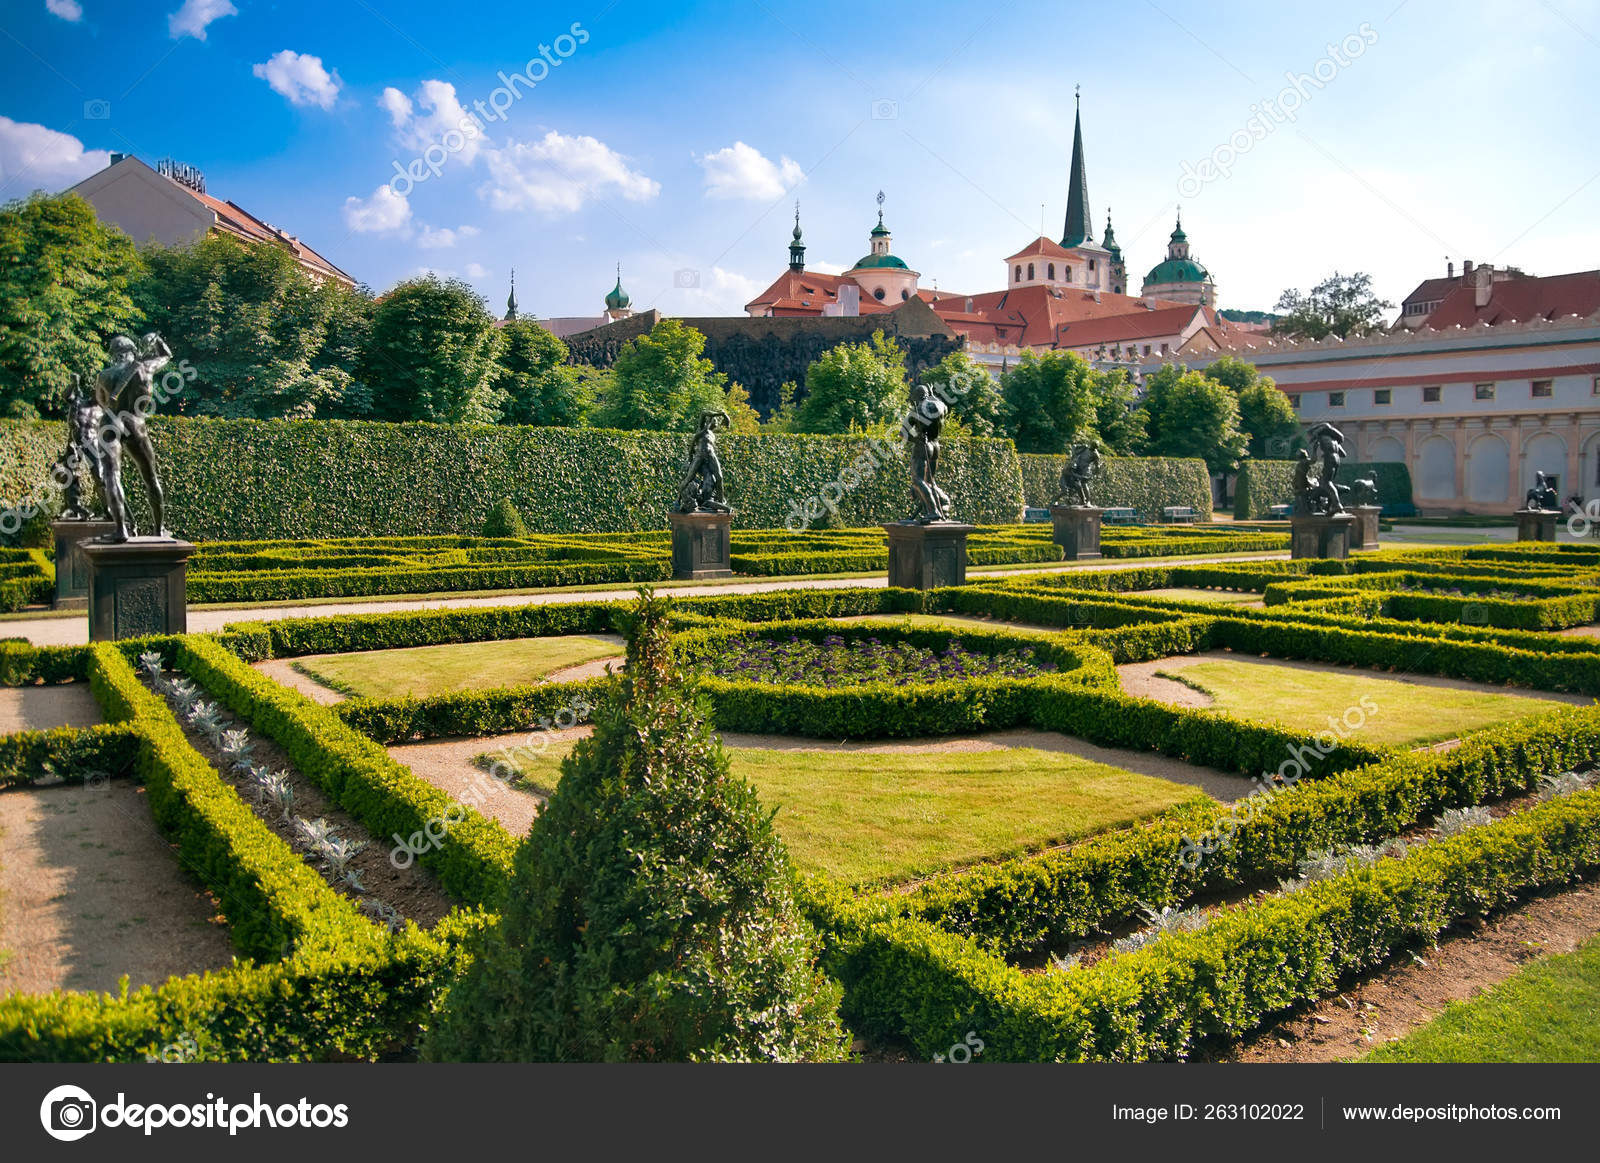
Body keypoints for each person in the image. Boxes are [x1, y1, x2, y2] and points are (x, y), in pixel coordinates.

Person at [93, 333, 171, 542]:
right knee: (150, 477)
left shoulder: (104, 375)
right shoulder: (145, 367)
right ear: (132, 351)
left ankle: (121, 530)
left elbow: (101, 401)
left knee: (111, 476)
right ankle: (158, 529)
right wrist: (156, 339)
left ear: (114, 355)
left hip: (110, 423)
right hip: (135, 424)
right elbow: (166, 355)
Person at [901, 382, 950, 523]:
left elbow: (902, 433)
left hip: (923, 446)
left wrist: (916, 438)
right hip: (936, 445)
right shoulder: (941, 406)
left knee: (918, 481)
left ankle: (934, 511)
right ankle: (943, 506)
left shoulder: (917, 410)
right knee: (930, 482)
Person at [677, 410, 731, 513]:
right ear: (710, 422)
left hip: (711, 454)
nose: (716, 424)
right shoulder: (701, 429)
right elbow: (703, 413)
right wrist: (721, 414)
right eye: (715, 421)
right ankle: (677, 499)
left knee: (719, 477)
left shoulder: (712, 435)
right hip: (699, 454)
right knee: (689, 477)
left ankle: (720, 502)